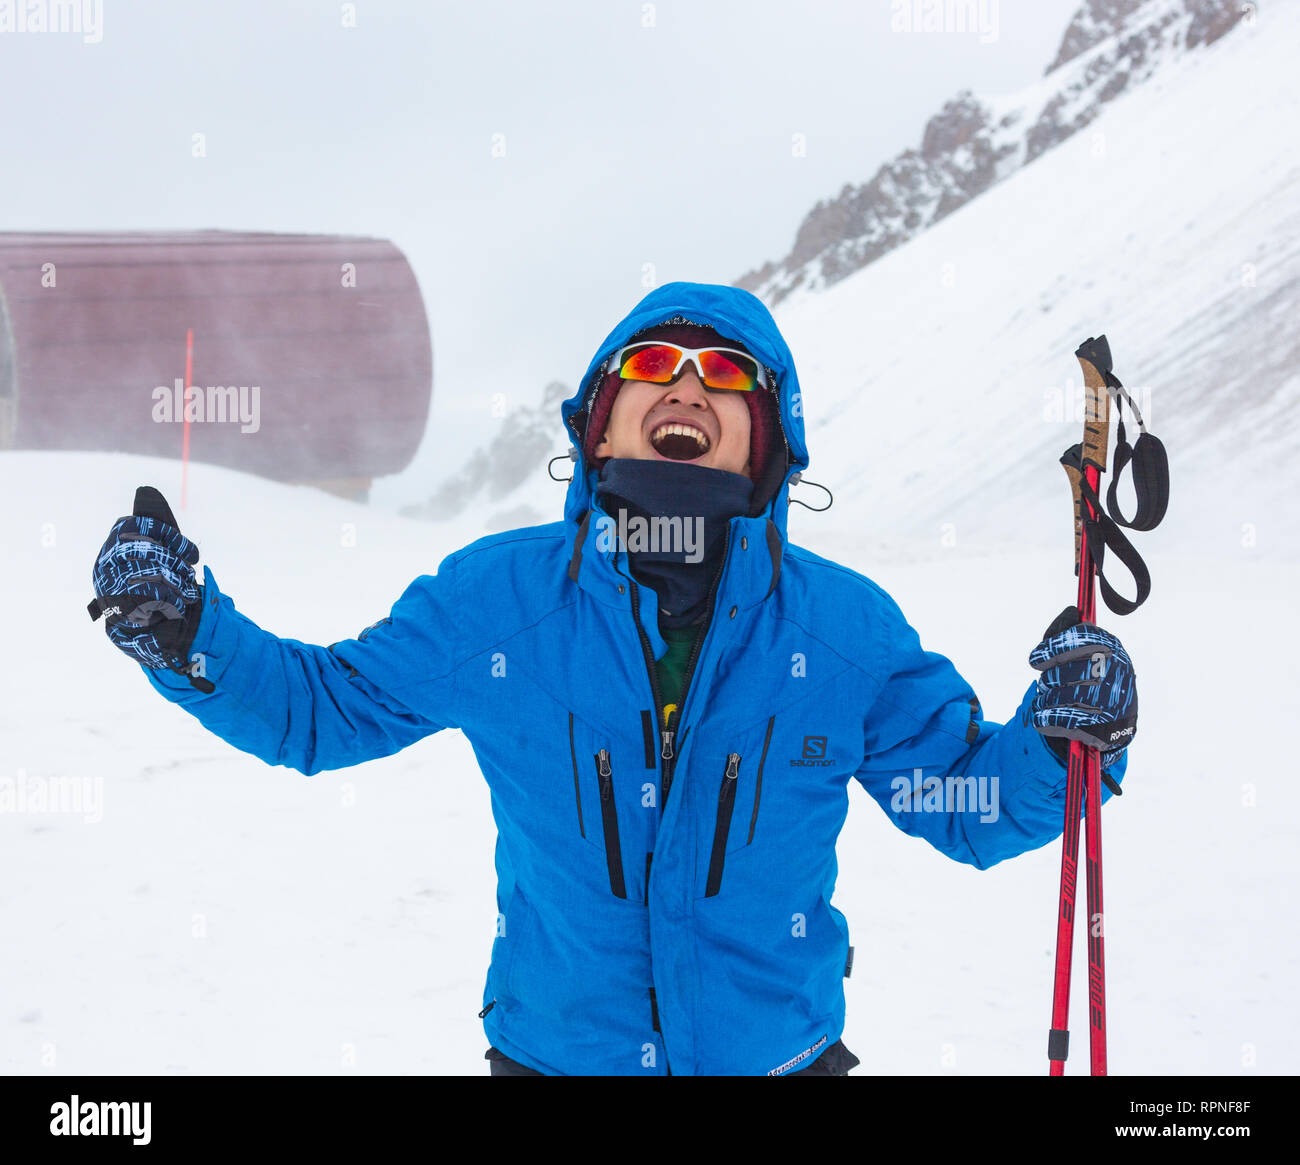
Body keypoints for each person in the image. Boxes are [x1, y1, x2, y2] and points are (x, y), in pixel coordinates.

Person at [88, 281, 1138, 1076]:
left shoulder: (841, 630)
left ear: (769, 441)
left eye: (726, 375)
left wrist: (1058, 736)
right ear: (599, 422)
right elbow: (321, 712)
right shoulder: (496, 603)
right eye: (653, 367)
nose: (687, 383)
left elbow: (965, 800)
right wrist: (188, 633)